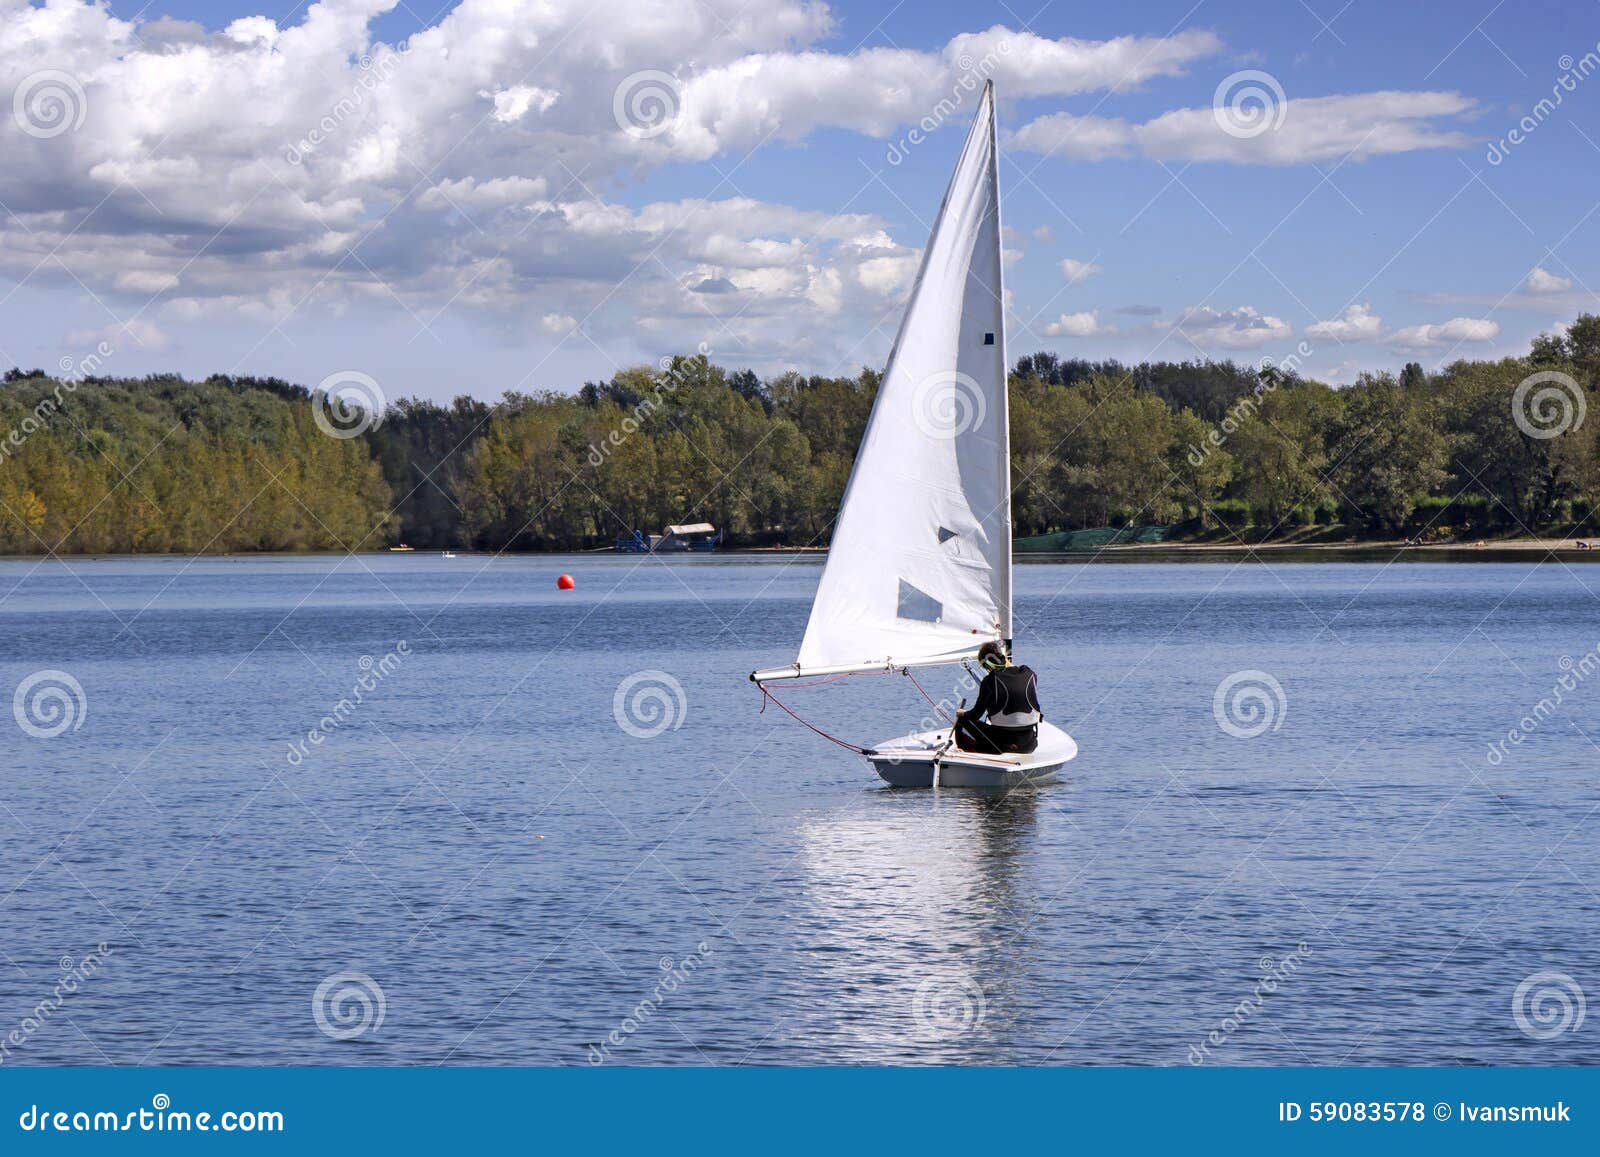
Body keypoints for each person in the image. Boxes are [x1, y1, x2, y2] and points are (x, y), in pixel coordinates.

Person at [953, 641, 1041, 754]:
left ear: (987, 664)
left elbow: (975, 715)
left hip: (1001, 744)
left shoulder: (989, 680)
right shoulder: (1030, 674)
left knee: (963, 719)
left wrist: (963, 713)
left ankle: (973, 750)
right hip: (1029, 744)